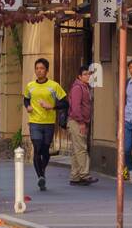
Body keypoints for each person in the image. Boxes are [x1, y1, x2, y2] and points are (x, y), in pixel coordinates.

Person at [22, 57, 66, 192]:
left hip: (48, 123)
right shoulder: (30, 86)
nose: (39, 71)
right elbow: (26, 99)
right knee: (37, 148)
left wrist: (51, 106)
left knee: (45, 150)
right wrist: (28, 106)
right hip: (35, 122)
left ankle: (42, 171)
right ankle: (40, 176)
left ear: (46, 71)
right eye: (37, 68)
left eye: (42, 68)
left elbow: (65, 102)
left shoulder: (54, 86)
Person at [67, 65, 98, 186]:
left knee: (76, 150)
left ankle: (75, 176)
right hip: (76, 122)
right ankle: (85, 175)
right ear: (79, 76)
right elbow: (75, 107)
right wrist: (81, 122)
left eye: (88, 74)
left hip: (79, 122)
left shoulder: (85, 87)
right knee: (81, 149)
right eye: (85, 74)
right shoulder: (78, 88)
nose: (87, 76)